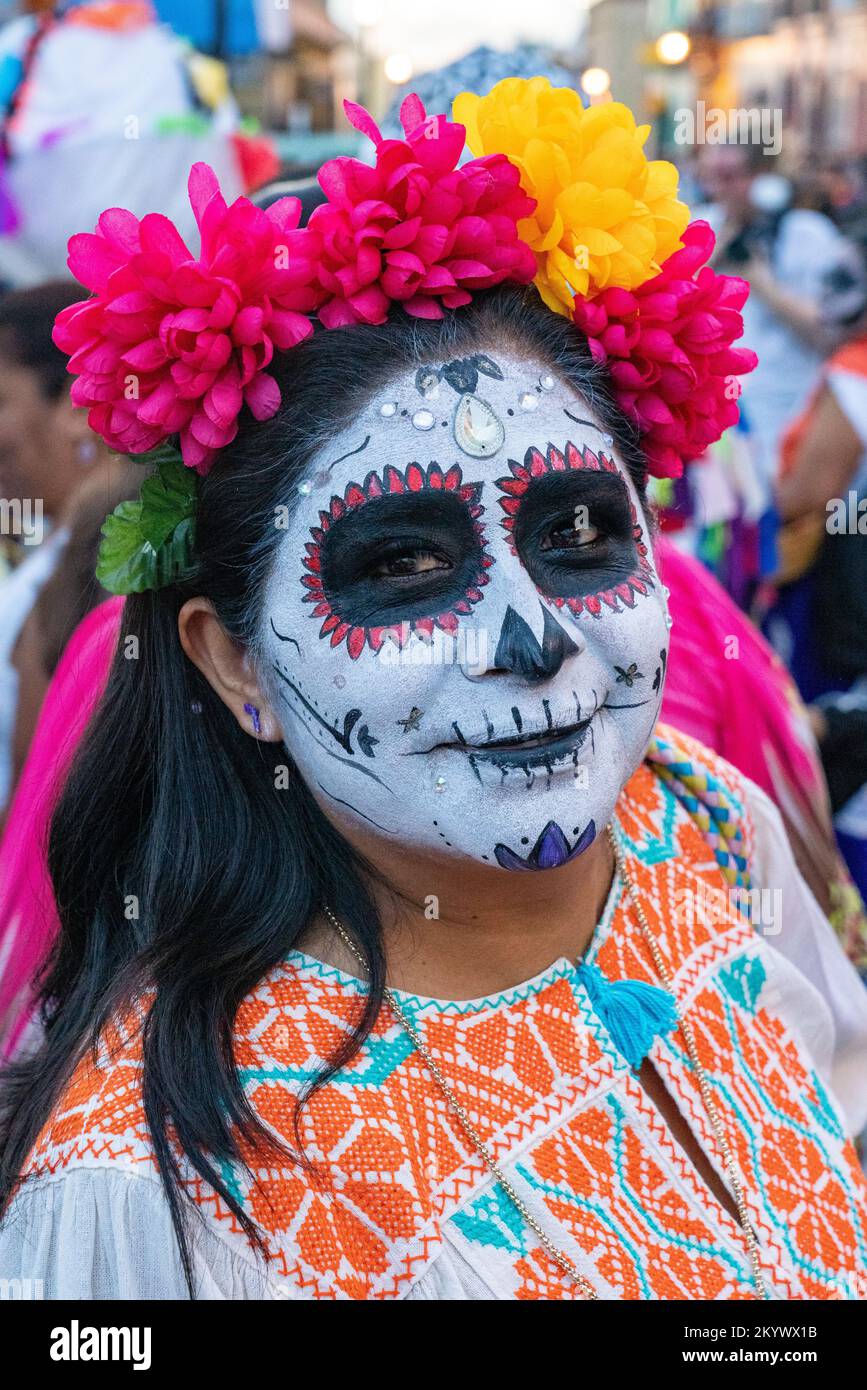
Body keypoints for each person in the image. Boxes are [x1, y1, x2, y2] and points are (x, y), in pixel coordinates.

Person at [1, 78, 866, 1302]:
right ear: (231, 658)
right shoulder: (144, 1192)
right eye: (401, 565)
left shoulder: (706, 822)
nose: (534, 638)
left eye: (577, 532)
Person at [0, 281, 123, 814]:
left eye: (0, 400)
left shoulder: (107, 561)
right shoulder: (45, 551)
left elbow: (39, 798)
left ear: (75, 401)